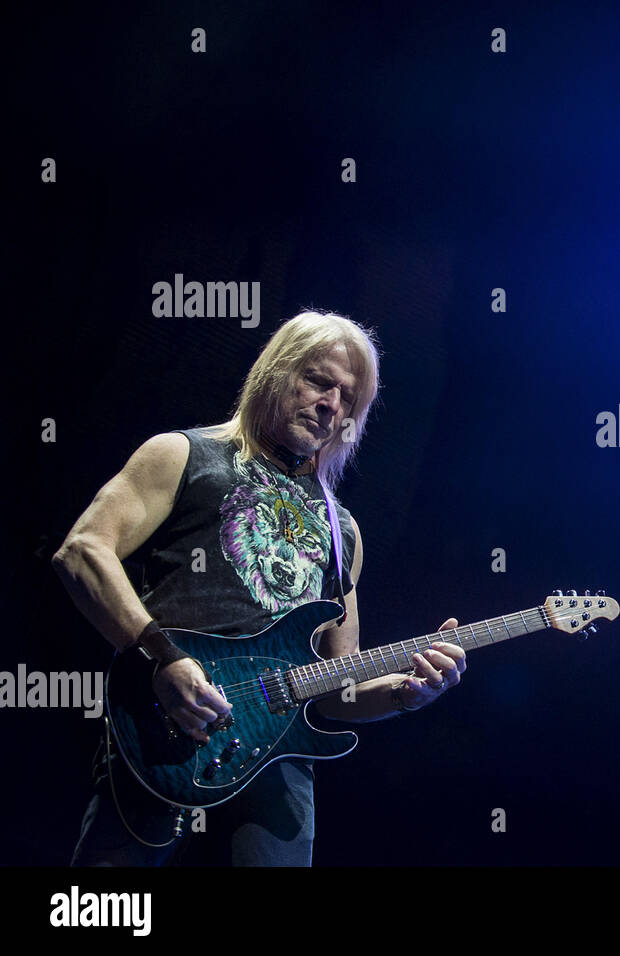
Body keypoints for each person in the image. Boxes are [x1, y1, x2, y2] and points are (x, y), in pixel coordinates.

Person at [52, 310, 466, 865]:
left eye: (348, 399)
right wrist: (163, 658)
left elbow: (338, 687)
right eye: (320, 381)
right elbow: (82, 552)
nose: (331, 405)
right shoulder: (183, 455)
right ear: (276, 372)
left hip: (278, 762)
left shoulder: (342, 530)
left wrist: (405, 694)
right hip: (164, 730)